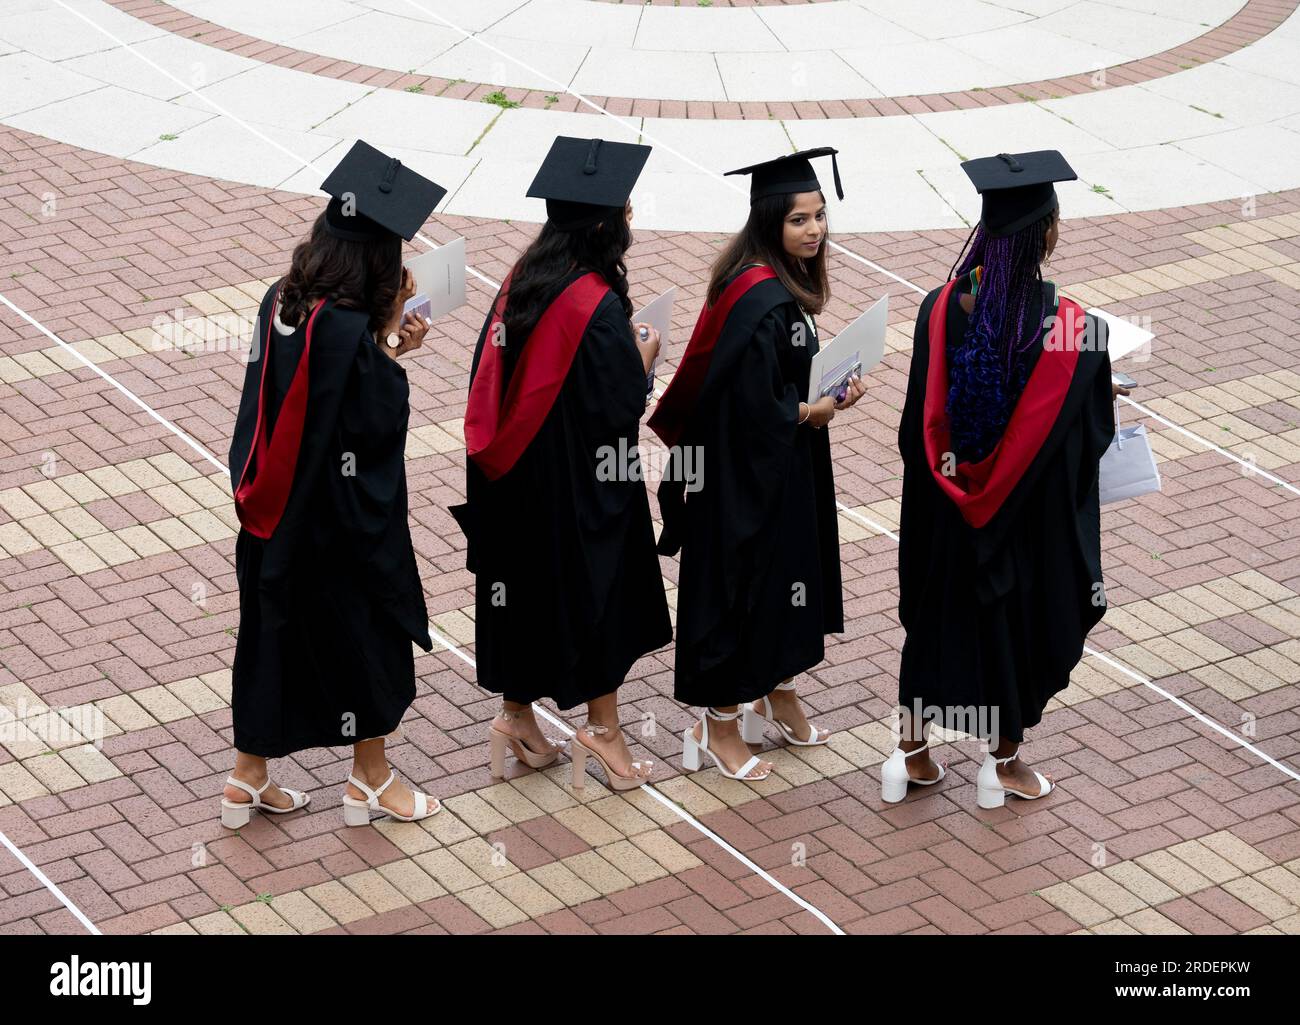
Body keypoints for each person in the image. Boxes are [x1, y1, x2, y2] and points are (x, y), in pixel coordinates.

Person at [885, 150, 1128, 808]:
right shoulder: (1075, 331)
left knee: (934, 621)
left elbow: (918, 428)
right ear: (1047, 236)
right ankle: (1004, 763)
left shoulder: (940, 309)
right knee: (1014, 628)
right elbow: (1089, 439)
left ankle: (908, 753)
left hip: (944, 511)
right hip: (1025, 522)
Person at [223, 141, 445, 829]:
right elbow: (374, 427)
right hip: (337, 529)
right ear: (380, 263)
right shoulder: (351, 332)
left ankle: (247, 778)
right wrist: (392, 346)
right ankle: (370, 780)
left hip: (270, 517)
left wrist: (379, 337)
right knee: (369, 640)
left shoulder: (280, 301)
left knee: (270, 637)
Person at [451, 136, 672, 792]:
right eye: (626, 214)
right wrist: (645, 357)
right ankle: (603, 731)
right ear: (604, 227)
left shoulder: (524, 281)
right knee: (599, 590)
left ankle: (515, 716)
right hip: (580, 488)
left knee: (522, 592)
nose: (630, 224)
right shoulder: (595, 305)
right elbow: (617, 406)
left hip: (515, 486)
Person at [649, 148, 865, 784]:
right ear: (771, 220)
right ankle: (718, 723)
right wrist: (810, 412)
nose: (815, 229)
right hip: (742, 479)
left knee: (790, 576)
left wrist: (829, 392)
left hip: (784, 467)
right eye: (800, 219)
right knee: (744, 586)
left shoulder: (774, 285)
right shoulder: (759, 297)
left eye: (820, 216)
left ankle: (777, 688)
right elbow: (750, 408)